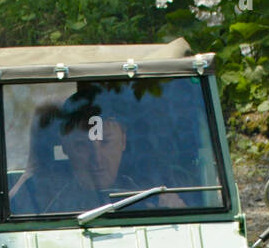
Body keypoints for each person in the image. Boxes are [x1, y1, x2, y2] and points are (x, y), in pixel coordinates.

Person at [10, 90, 185, 215]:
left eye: (106, 142)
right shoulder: (40, 197)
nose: (97, 160)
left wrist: (174, 213)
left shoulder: (151, 193)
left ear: (123, 141)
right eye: (82, 146)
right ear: (65, 147)